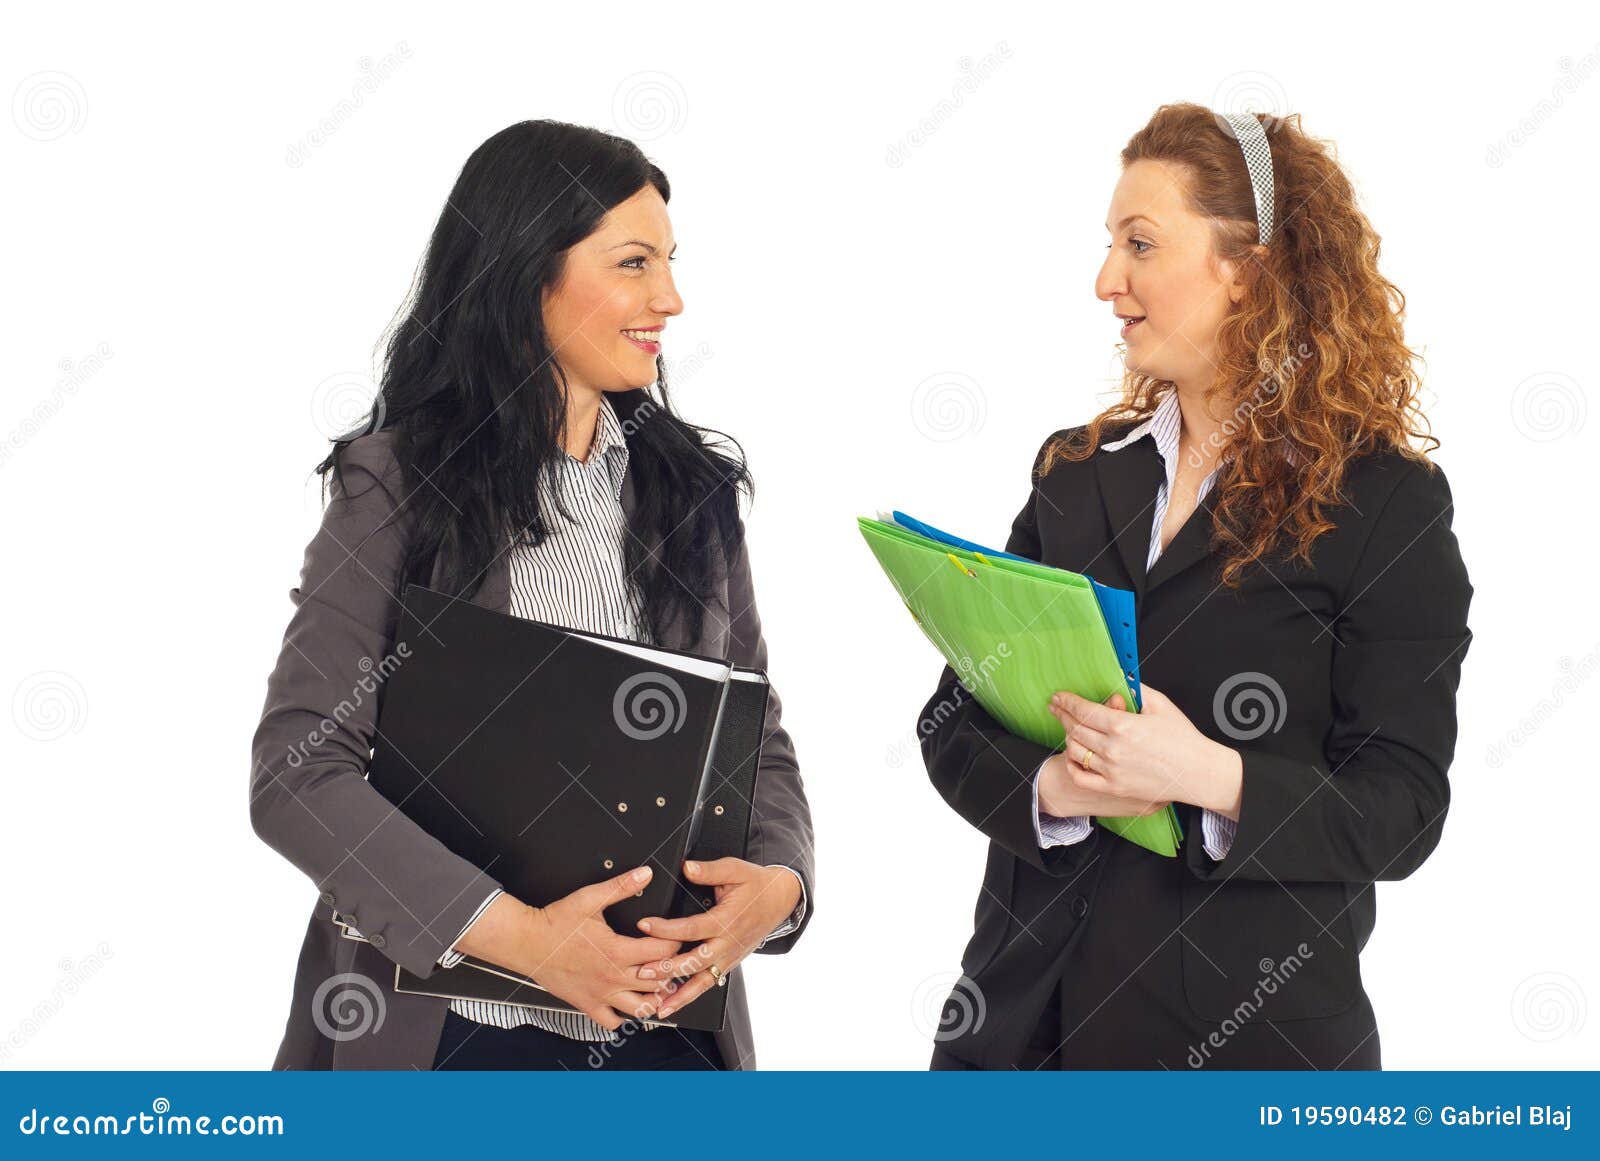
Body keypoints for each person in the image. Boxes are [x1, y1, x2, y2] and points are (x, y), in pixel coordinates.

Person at [250, 120, 814, 1071]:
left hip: (665, 1041)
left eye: (670, 263)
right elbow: (299, 772)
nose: (670, 299)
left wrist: (781, 884)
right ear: (524, 275)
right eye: (634, 264)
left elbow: (755, 741)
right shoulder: (397, 481)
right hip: (455, 1038)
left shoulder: (694, 496)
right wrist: (525, 938)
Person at [919, 104, 1472, 1069]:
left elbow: (1403, 807)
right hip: (1013, 1040)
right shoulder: (1076, 472)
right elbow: (953, 721)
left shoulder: (1385, 503)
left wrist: (1202, 776)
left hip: (1240, 1059)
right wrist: (1053, 785)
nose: (1106, 281)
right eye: (1109, 245)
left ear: (1250, 270)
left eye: (1140, 245)